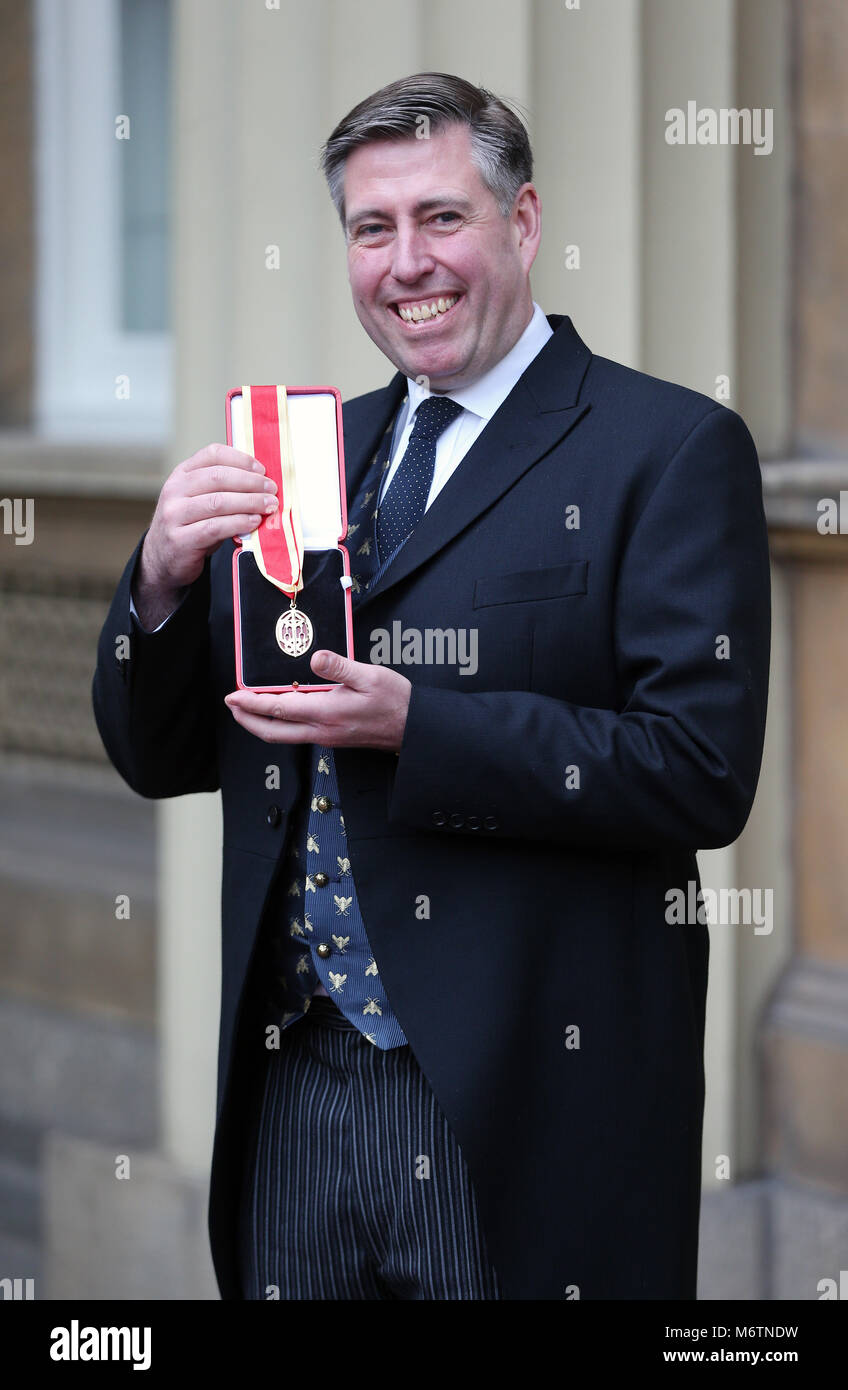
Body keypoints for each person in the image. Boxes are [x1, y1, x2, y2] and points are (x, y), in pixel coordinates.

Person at [92, 72, 771, 1300]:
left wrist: (423, 726)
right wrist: (158, 583)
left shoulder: (664, 451)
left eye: (441, 218)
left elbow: (699, 772)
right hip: (297, 1086)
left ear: (520, 224)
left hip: (519, 1109)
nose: (408, 263)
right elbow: (167, 752)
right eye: (372, 228)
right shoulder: (301, 452)